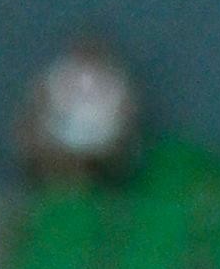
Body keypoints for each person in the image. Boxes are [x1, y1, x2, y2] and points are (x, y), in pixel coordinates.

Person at [16, 35, 144, 189]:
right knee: (29, 133)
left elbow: (126, 110)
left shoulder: (114, 78)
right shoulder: (58, 75)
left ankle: (92, 191)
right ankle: (58, 190)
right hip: (61, 133)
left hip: (104, 135)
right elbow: (39, 102)